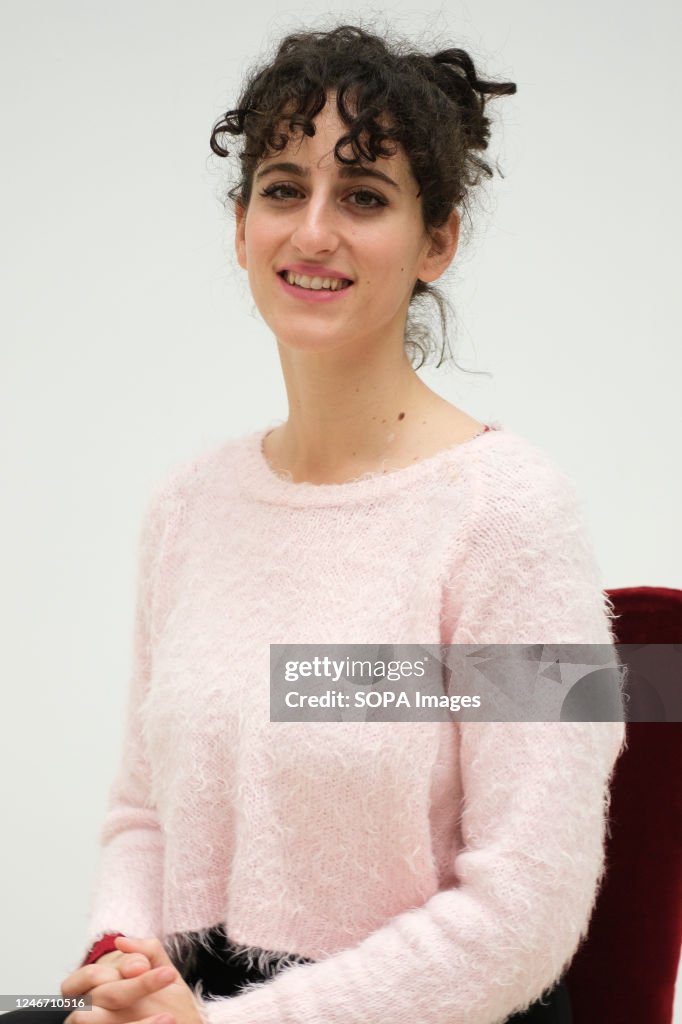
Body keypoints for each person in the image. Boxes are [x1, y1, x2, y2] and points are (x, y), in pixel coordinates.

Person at [8, 21, 625, 1024]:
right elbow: (139, 816)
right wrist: (125, 967)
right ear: (241, 223)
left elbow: (528, 907)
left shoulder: (518, 512)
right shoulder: (186, 508)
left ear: (439, 239)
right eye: (284, 188)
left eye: (365, 196)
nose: (312, 230)